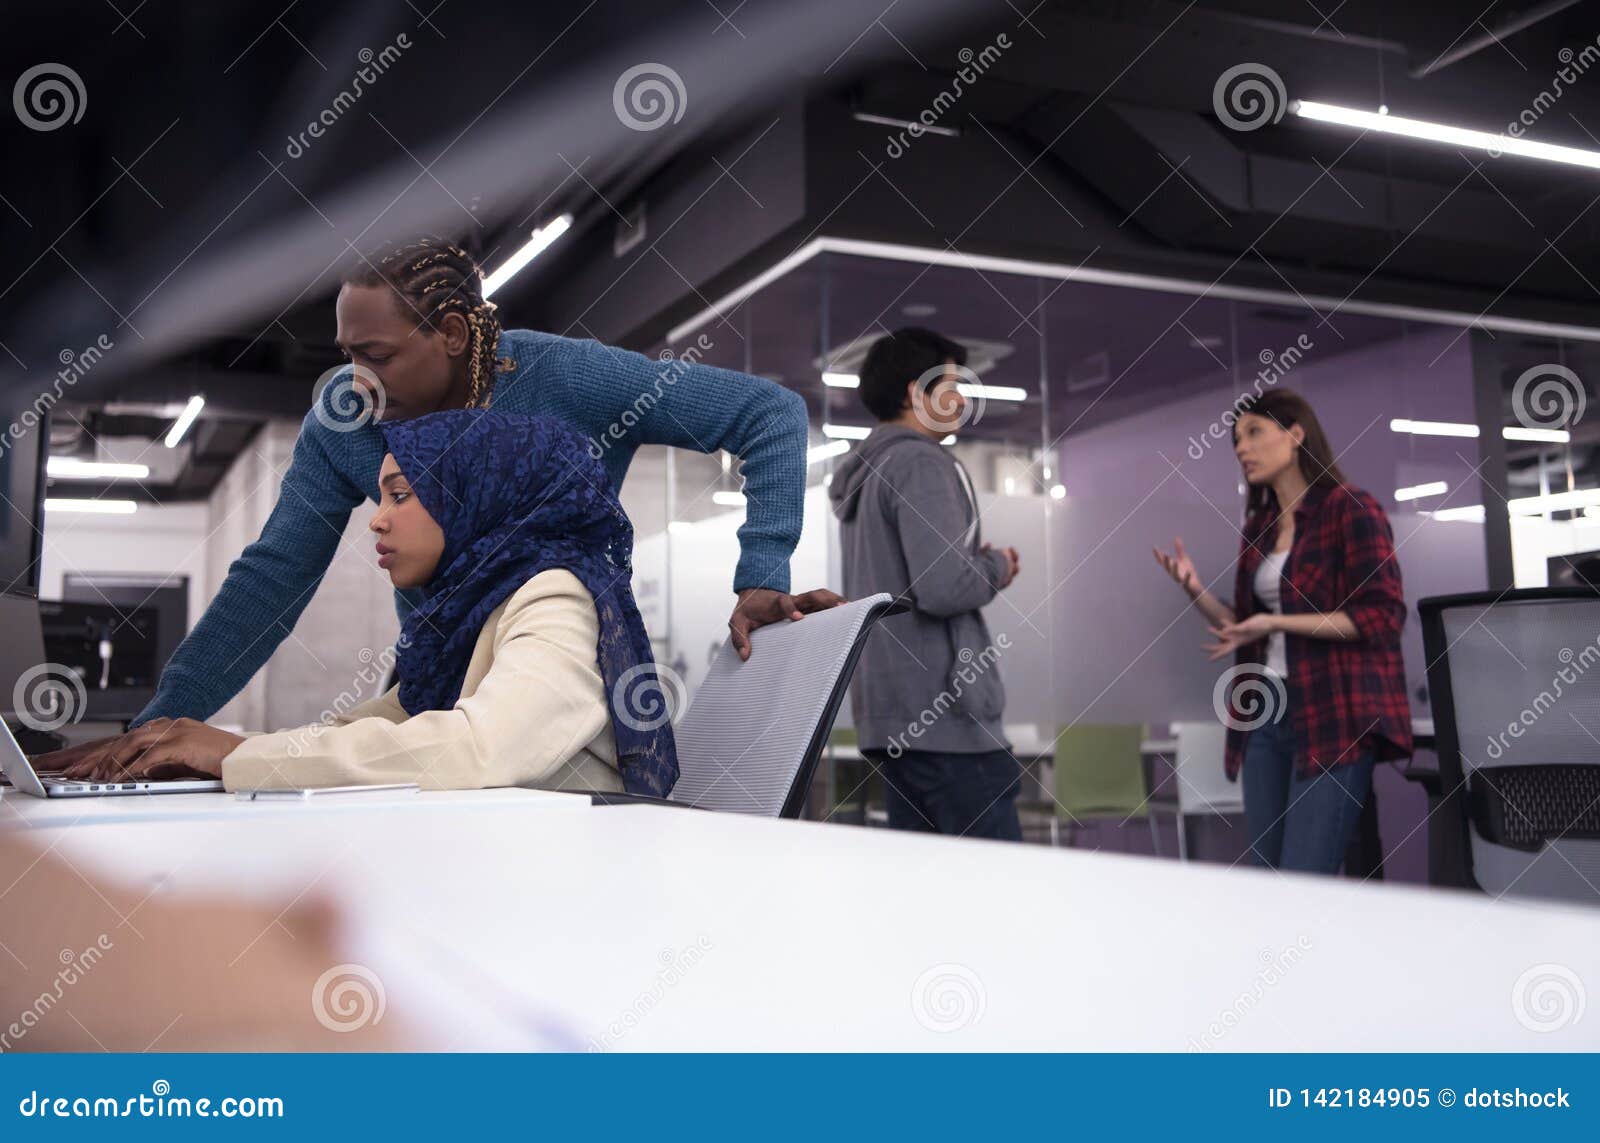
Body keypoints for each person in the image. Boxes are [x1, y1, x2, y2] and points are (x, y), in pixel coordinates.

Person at [131, 235, 836, 730]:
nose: (357, 381)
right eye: (345, 355)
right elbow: (272, 578)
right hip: (436, 697)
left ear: (455, 334)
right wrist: (163, 721)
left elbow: (768, 414)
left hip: (556, 689)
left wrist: (761, 572)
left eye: (375, 355)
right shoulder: (344, 421)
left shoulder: (566, 377)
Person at [40, 410, 682, 796]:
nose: (376, 521)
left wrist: (234, 756)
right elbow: (368, 732)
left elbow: (474, 749)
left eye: (399, 495)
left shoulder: (555, 596)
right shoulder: (466, 616)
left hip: (577, 891)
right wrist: (208, 753)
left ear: (474, 498)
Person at [1152, 389, 1412, 874]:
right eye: (1235, 440)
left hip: (1332, 715)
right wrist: (1194, 590)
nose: (1241, 449)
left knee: (1303, 879)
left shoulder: (1351, 508)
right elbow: (1241, 626)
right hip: (1266, 715)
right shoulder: (1261, 528)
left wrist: (1276, 622)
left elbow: (1382, 616)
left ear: (1296, 434)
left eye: (1253, 432)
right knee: (1269, 883)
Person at [828, 327, 1023, 840]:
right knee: (1001, 899)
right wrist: (997, 566)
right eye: (952, 384)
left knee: (928, 905)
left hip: (893, 720)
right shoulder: (920, 462)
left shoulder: (867, 473)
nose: (962, 399)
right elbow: (942, 588)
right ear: (918, 392)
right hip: (948, 721)